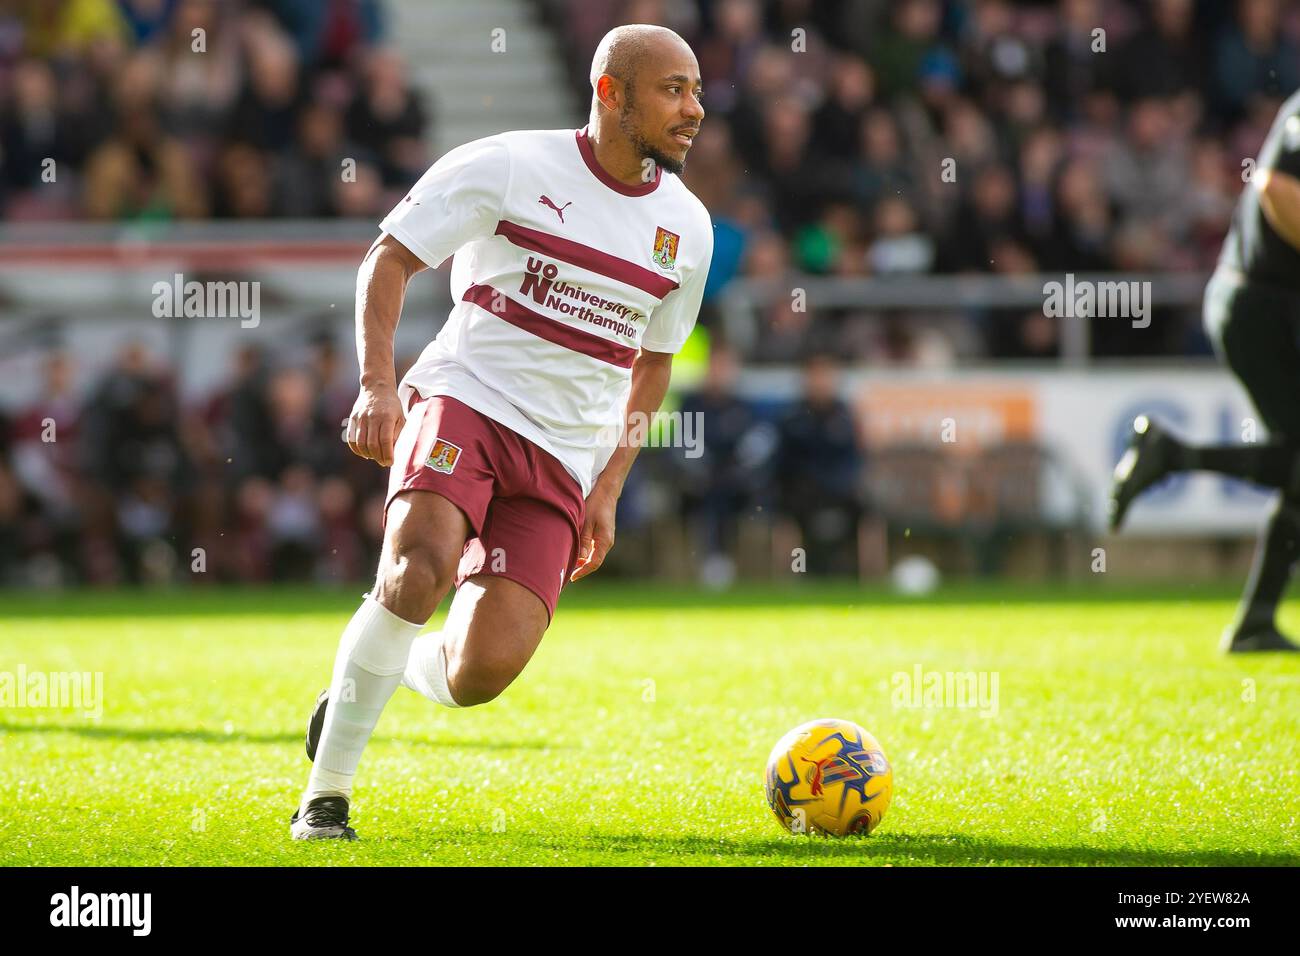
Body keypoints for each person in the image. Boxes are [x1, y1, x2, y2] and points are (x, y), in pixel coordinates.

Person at [291, 24, 712, 839]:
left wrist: (610, 487)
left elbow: (653, 367)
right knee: (418, 571)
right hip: (467, 402)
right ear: (610, 92)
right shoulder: (511, 164)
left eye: (696, 91)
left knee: (477, 673)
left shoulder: (688, 229)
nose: (693, 109)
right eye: (672, 90)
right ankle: (326, 795)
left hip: (562, 454)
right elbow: (388, 258)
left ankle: (372, 672)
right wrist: (378, 386)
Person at [1110, 88, 1300, 653]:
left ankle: (1256, 621)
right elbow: (1277, 187)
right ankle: (1170, 455)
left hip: (1266, 304)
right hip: (1262, 305)